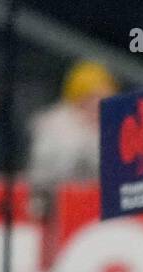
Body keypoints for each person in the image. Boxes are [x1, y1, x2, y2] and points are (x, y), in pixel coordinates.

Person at [26, 61, 117, 213]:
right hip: (57, 208)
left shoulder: (112, 127)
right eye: (93, 97)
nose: (99, 104)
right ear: (78, 98)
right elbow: (44, 176)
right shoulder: (54, 127)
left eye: (105, 97)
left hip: (100, 210)